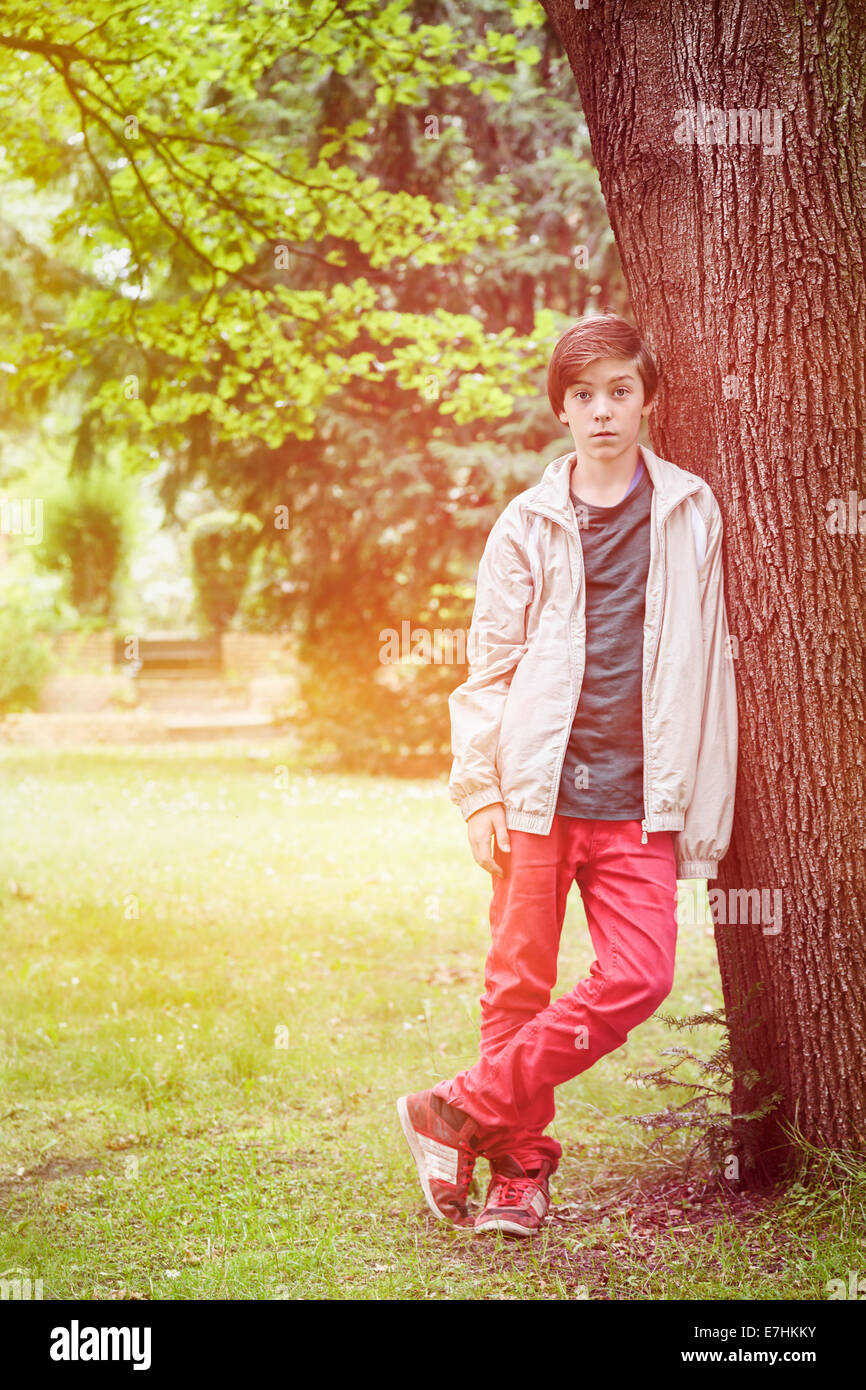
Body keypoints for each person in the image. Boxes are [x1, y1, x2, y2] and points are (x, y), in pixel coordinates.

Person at [397, 311, 738, 1236]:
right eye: (583, 396)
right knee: (516, 986)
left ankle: (455, 1108)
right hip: (537, 792)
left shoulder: (690, 511)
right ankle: (519, 1176)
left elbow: (707, 659)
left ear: (648, 399)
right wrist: (480, 792)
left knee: (641, 976)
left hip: (640, 800)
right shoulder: (527, 523)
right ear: (562, 411)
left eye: (619, 391)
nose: (602, 412)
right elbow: (489, 671)